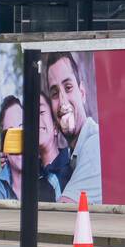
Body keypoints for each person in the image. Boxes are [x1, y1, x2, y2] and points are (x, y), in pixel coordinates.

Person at [0, 94, 65, 202]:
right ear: (3, 144)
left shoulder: (49, 182)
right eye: (11, 133)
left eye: (21, 127)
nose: (18, 140)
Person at [45, 52, 102, 204]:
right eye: (55, 93)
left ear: (82, 93)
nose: (63, 102)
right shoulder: (73, 155)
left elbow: (62, 216)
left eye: (68, 88)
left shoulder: (94, 145)